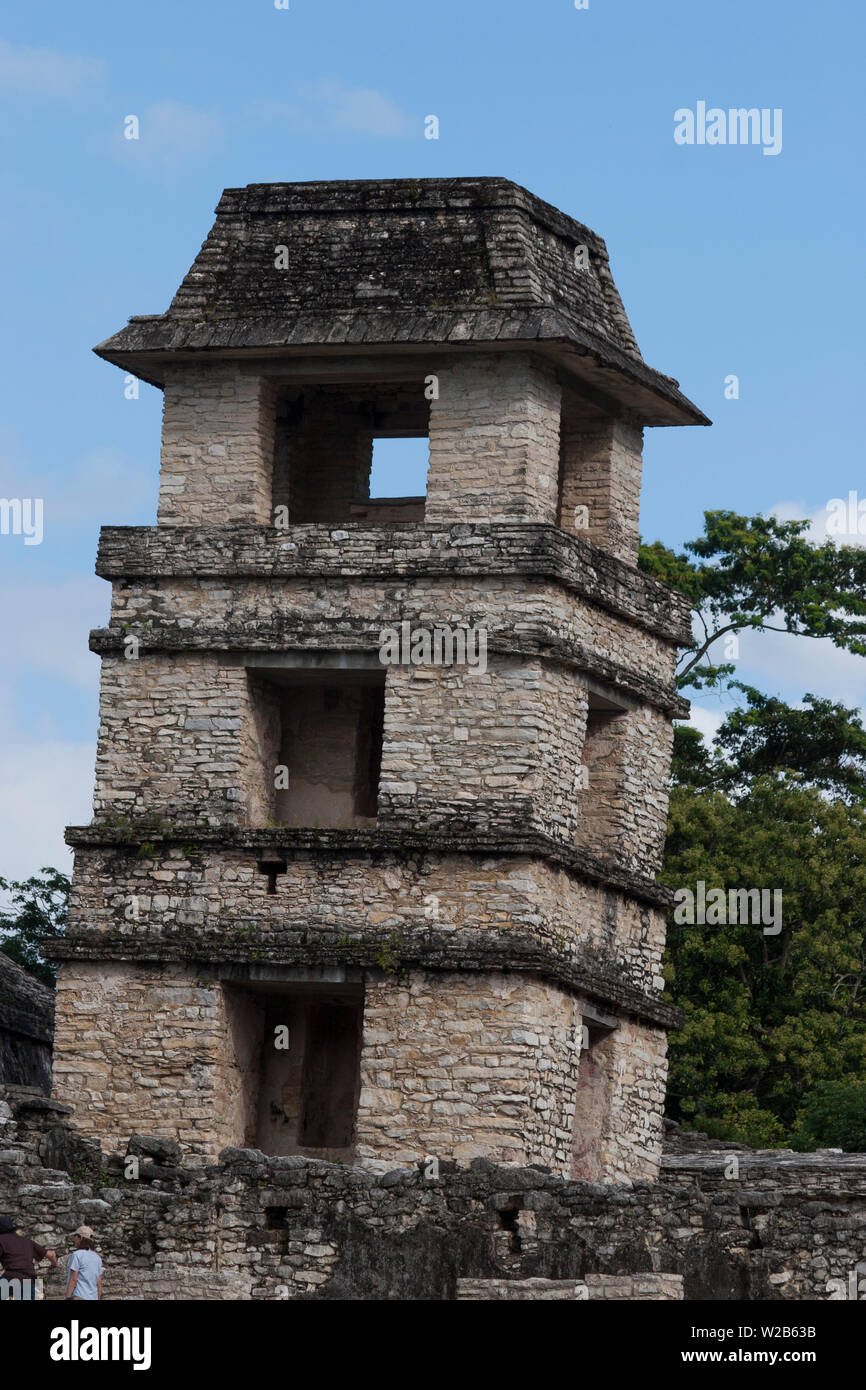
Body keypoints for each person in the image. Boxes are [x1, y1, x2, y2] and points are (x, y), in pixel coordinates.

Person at [0, 1214, 58, 1299]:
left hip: (9, 1279)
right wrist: (55, 1264)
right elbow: (51, 1254)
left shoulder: (1, 1239)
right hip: (28, 1280)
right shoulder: (27, 1241)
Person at [66, 1225, 103, 1301]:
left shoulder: (77, 1255)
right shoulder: (97, 1258)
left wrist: (67, 1296)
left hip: (79, 1296)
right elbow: (99, 1282)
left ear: (81, 1238)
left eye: (75, 1237)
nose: (74, 1240)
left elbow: (73, 1279)